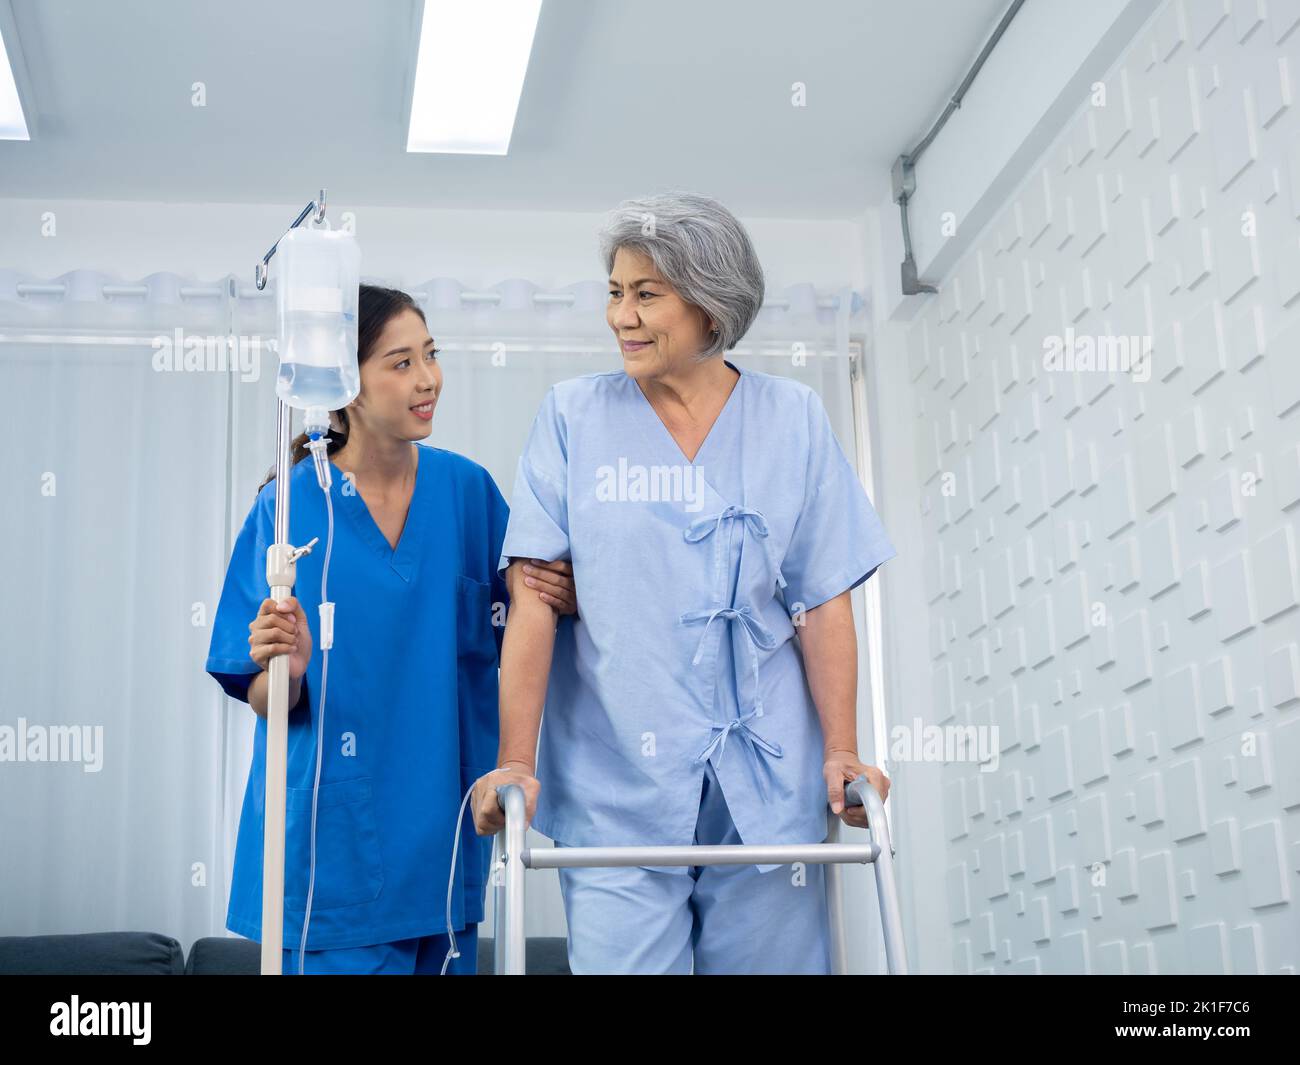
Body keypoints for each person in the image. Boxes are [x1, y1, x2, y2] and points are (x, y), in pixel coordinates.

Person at [472, 191, 899, 974]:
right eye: (614, 292)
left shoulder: (792, 417)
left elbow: (822, 599)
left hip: (770, 790)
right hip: (616, 787)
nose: (620, 316)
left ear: (710, 306)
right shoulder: (574, 417)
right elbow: (534, 594)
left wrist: (842, 749)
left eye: (645, 294)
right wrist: (514, 759)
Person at [205, 284, 577, 974]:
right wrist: (286, 663)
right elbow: (264, 697)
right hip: (327, 859)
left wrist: (569, 592)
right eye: (400, 362)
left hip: (445, 853)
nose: (428, 378)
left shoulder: (468, 495)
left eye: (430, 355)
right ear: (346, 382)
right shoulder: (287, 508)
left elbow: (532, 630)